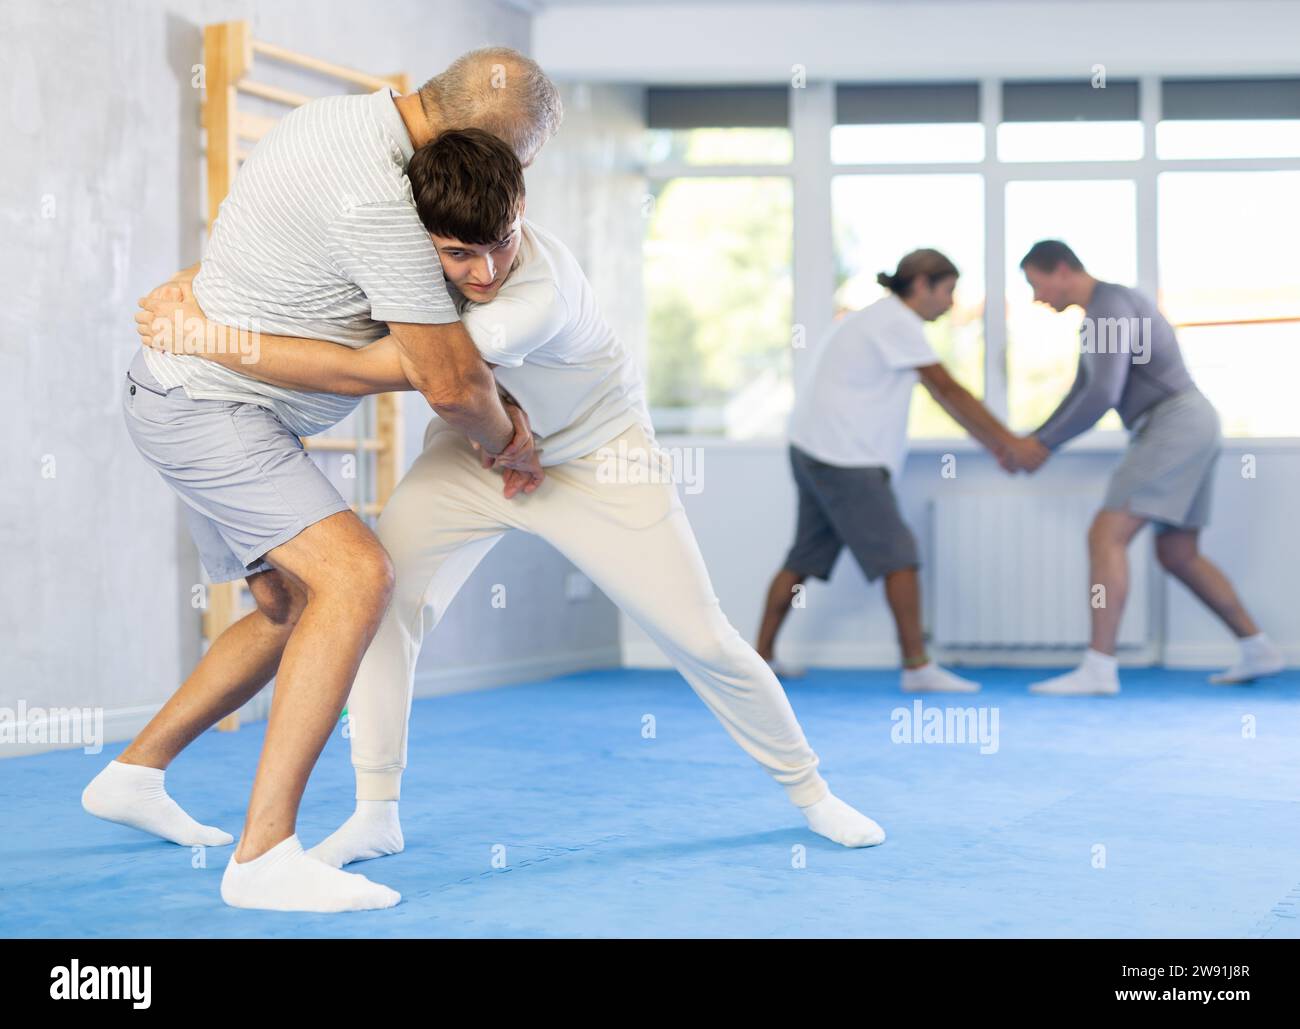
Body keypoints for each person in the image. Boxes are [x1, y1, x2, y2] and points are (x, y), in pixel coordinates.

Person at [136, 129, 887, 859]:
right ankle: (375, 813)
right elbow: (295, 277)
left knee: (700, 634)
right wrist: (191, 286)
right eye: (460, 254)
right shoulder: (404, 247)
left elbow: (374, 372)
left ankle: (812, 792)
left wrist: (205, 336)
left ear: (521, 203)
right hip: (476, 453)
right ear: (424, 233)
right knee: (376, 604)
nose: (487, 269)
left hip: (597, 456)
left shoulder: (539, 296)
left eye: (502, 240)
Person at [85, 50, 562, 913]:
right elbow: (447, 382)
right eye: (514, 160)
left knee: (286, 609)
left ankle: (133, 772)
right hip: (209, 408)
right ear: (454, 146)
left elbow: (270, 257)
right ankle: (263, 856)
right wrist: (512, 445)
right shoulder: (388, 199)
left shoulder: (329, 123)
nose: (507, 186)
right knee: (357, 575)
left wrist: (201, 312)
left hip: (186, 388)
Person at [1010, 239, 1282, 696]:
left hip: (1173, 422)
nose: (1038, 298)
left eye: (1037, 285)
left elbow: (1102, 396)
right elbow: (1083, 389)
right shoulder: (1100, 314)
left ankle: (1099, 666)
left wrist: (1041, 446)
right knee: (1177, 553)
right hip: (1189, 421)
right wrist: (1035, 442)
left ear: (1061, 270)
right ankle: (1257, 647)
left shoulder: (1110, 308)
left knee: (1105, 534)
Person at [755, 250, 1034, 693]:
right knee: (899, 556)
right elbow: (946, 389)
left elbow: (941, 395)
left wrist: (995, 446)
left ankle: (759, 663)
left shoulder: (876, 319)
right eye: (948, 291)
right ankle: (917, 668)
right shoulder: (896, 321)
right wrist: (1012, 443)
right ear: (921, 285)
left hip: (814, 450)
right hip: (843, 456)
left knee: (804, 558)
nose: (950, 303)